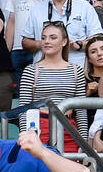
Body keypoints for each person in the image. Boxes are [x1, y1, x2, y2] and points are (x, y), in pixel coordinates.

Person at [19, 20, 88, 150]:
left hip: (69, 128)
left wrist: (83, 142)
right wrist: (26, 136)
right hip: (39, 127)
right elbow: (24, 109)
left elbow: (81, 110)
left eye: (53, 37)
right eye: (44, 38)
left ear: (64, 42)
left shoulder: (76, 70)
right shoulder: (31, 70)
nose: (47, 41)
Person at [18, 0, 102, 59]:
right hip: (43, 70)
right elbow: (25, 42)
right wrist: (42, 43)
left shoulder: (85, 7)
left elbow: (97, 39)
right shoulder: (37, 9)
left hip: (76, 70)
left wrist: (77, 45)